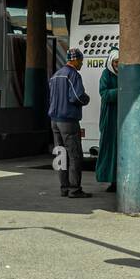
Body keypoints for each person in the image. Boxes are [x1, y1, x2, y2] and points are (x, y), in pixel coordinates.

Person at [48, 48, 91, 198]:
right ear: (76, 60)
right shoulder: (72, 75)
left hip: (54, 120)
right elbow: (76, 97)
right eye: (81, 61)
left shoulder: (55, 76)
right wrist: (87, 99)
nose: (81, 64)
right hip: (68, 121)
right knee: (74, 155)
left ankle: (64, 188)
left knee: (61, 154)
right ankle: (74, 189)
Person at [96, 49, 119, 193]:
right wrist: (121, 91)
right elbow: (104, 94)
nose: (117, 64)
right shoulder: (106, 74)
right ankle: (112, 181)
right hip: (109, 116)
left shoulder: (125, 73)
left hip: (121, 116)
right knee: (110, 148)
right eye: (115, 62)